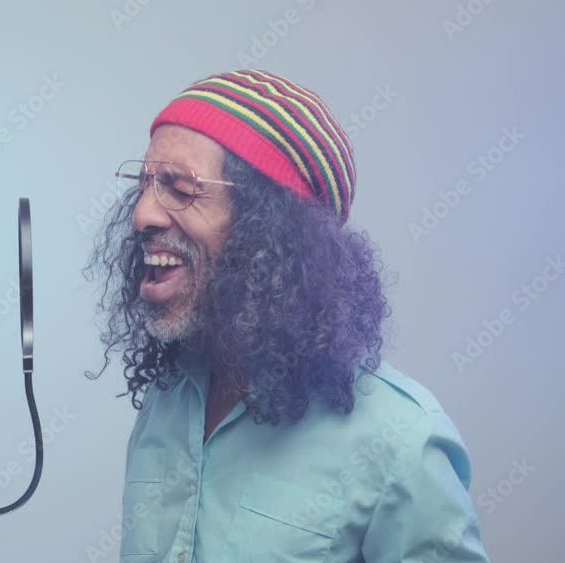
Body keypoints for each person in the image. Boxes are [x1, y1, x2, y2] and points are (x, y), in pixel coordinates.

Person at [84, 69, 490, 562]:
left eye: (179, 187)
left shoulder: (403, 439)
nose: (142, 214)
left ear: (270, 229)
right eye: (146, 183)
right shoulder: (169, 399)